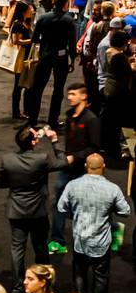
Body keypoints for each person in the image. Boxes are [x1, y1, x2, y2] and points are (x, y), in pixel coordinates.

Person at [58, 153, 130, 293]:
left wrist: (75, 211)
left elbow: (61, 207)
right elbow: (125, 211)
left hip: (80, 239)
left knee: (79, 274)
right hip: (101, 241)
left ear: (85, 166)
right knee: (101, 276)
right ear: (103, 167)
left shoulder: (72, 185)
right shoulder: (113, 189)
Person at [0, 124, 62, 291]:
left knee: (17, 249)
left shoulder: (8, 159)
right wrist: (54, 141)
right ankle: (45, 283)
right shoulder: (42, 159)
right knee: (40, 246)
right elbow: (62, 162)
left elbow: (1, 183)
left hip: (17, 210)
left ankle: (18, 287)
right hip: (38, 211)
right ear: (33, 142)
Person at [51, 83, 102, 254]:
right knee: (59, 202)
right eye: (69, 94)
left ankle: (112, 226)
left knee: (87, 206)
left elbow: (95, 147)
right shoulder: (70, 116)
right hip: (68, 168)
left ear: (83, 96)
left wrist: (75, 156)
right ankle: (57, 241)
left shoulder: (92, 120)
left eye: (73, 94)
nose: (69, 97)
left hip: (83, 170)